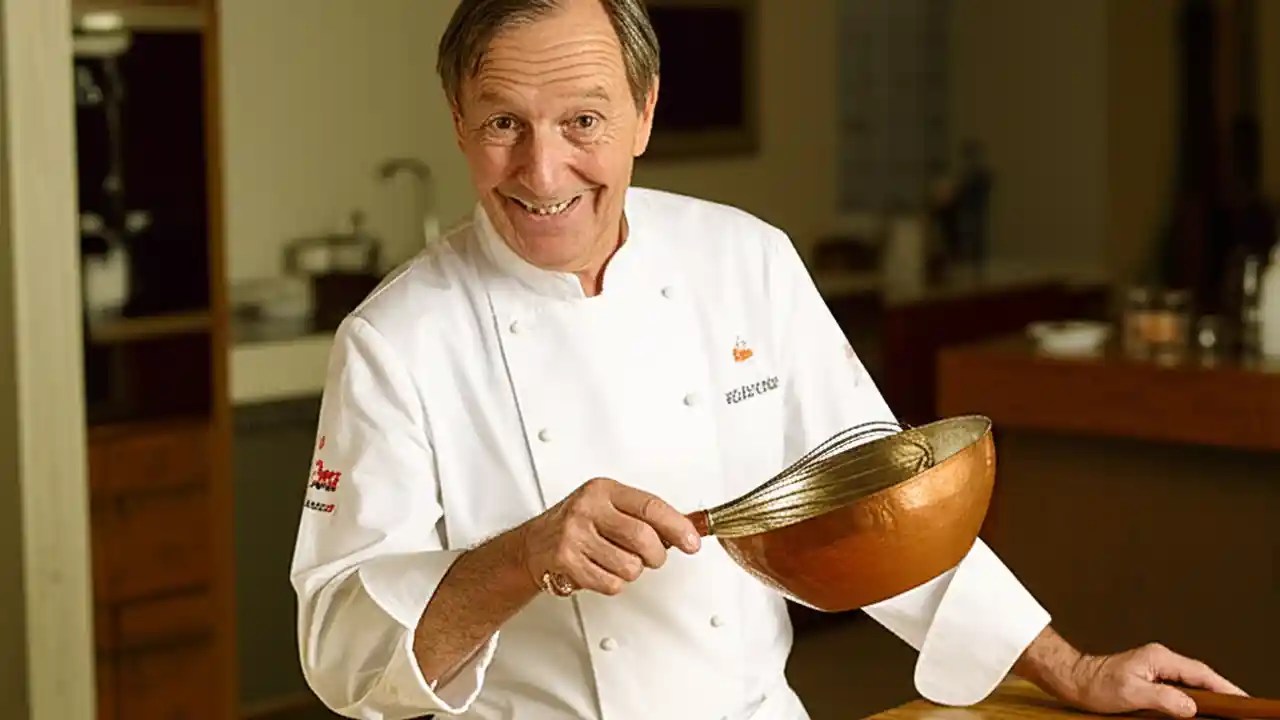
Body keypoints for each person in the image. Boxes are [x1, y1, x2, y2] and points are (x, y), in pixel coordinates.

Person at [289, 1, 1246, 718]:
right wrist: (520, 560)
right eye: (504, 123)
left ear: (645, 114)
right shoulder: (396, 338)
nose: (543, 173)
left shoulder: (743, 257)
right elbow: (338, 653)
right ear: (458, 121)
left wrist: (1074, 670)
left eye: (583, 120)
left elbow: (878, 507)